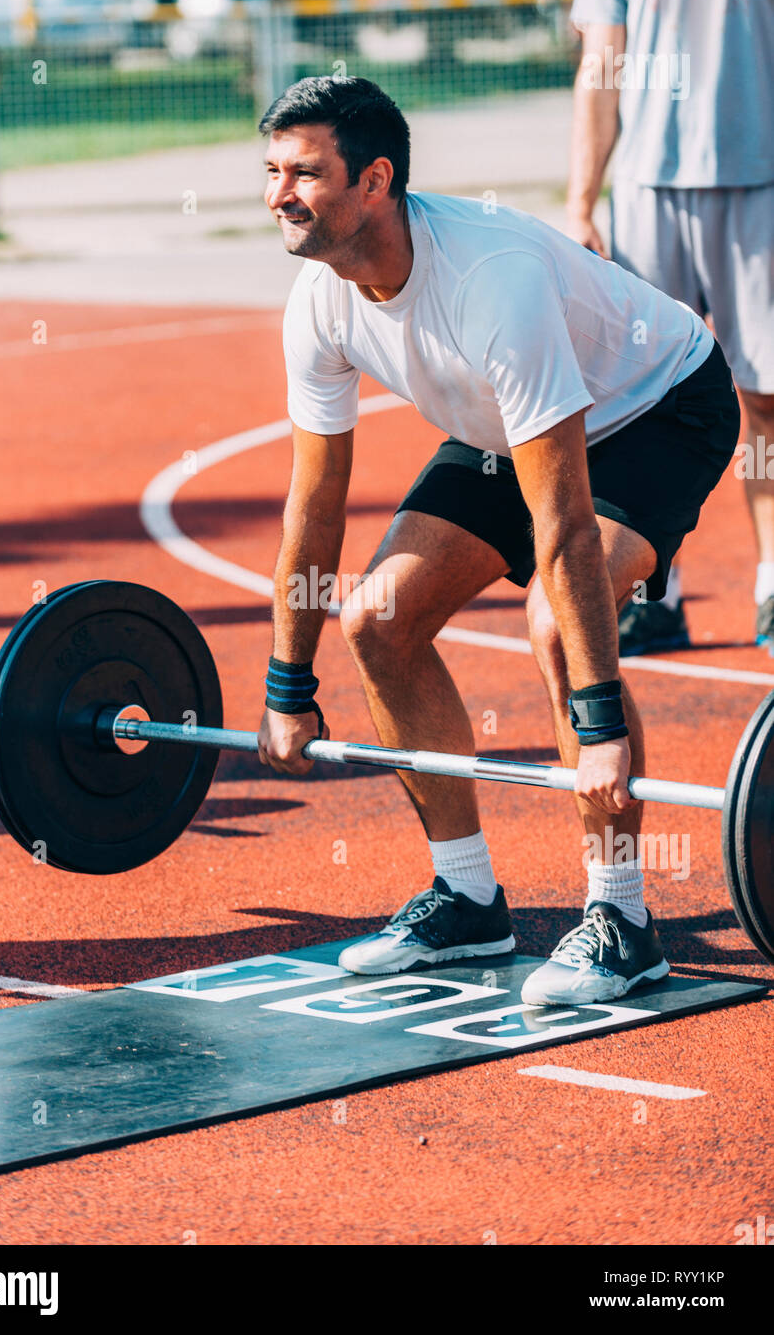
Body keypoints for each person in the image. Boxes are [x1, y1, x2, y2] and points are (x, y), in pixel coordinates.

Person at [256, 75, 739, 1005]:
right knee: (375, 622)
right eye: (271, 171)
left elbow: (557, 525)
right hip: (499, 430)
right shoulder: (318, 302)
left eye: (305, 173)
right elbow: (312, 509)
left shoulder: (489, 276)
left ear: (374, 182)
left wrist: (597, 732)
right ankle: (467, 900)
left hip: (654, 408)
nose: (280, 194)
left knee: (559, 624)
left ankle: (622, 920)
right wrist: (289, 688)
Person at [566, 0, 774, 655]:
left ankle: (771, 588)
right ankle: (658, 596)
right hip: (647, 192)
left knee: (767, 400)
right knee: (645, 403)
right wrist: (580, 200)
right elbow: (599, 68)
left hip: (762, 184)